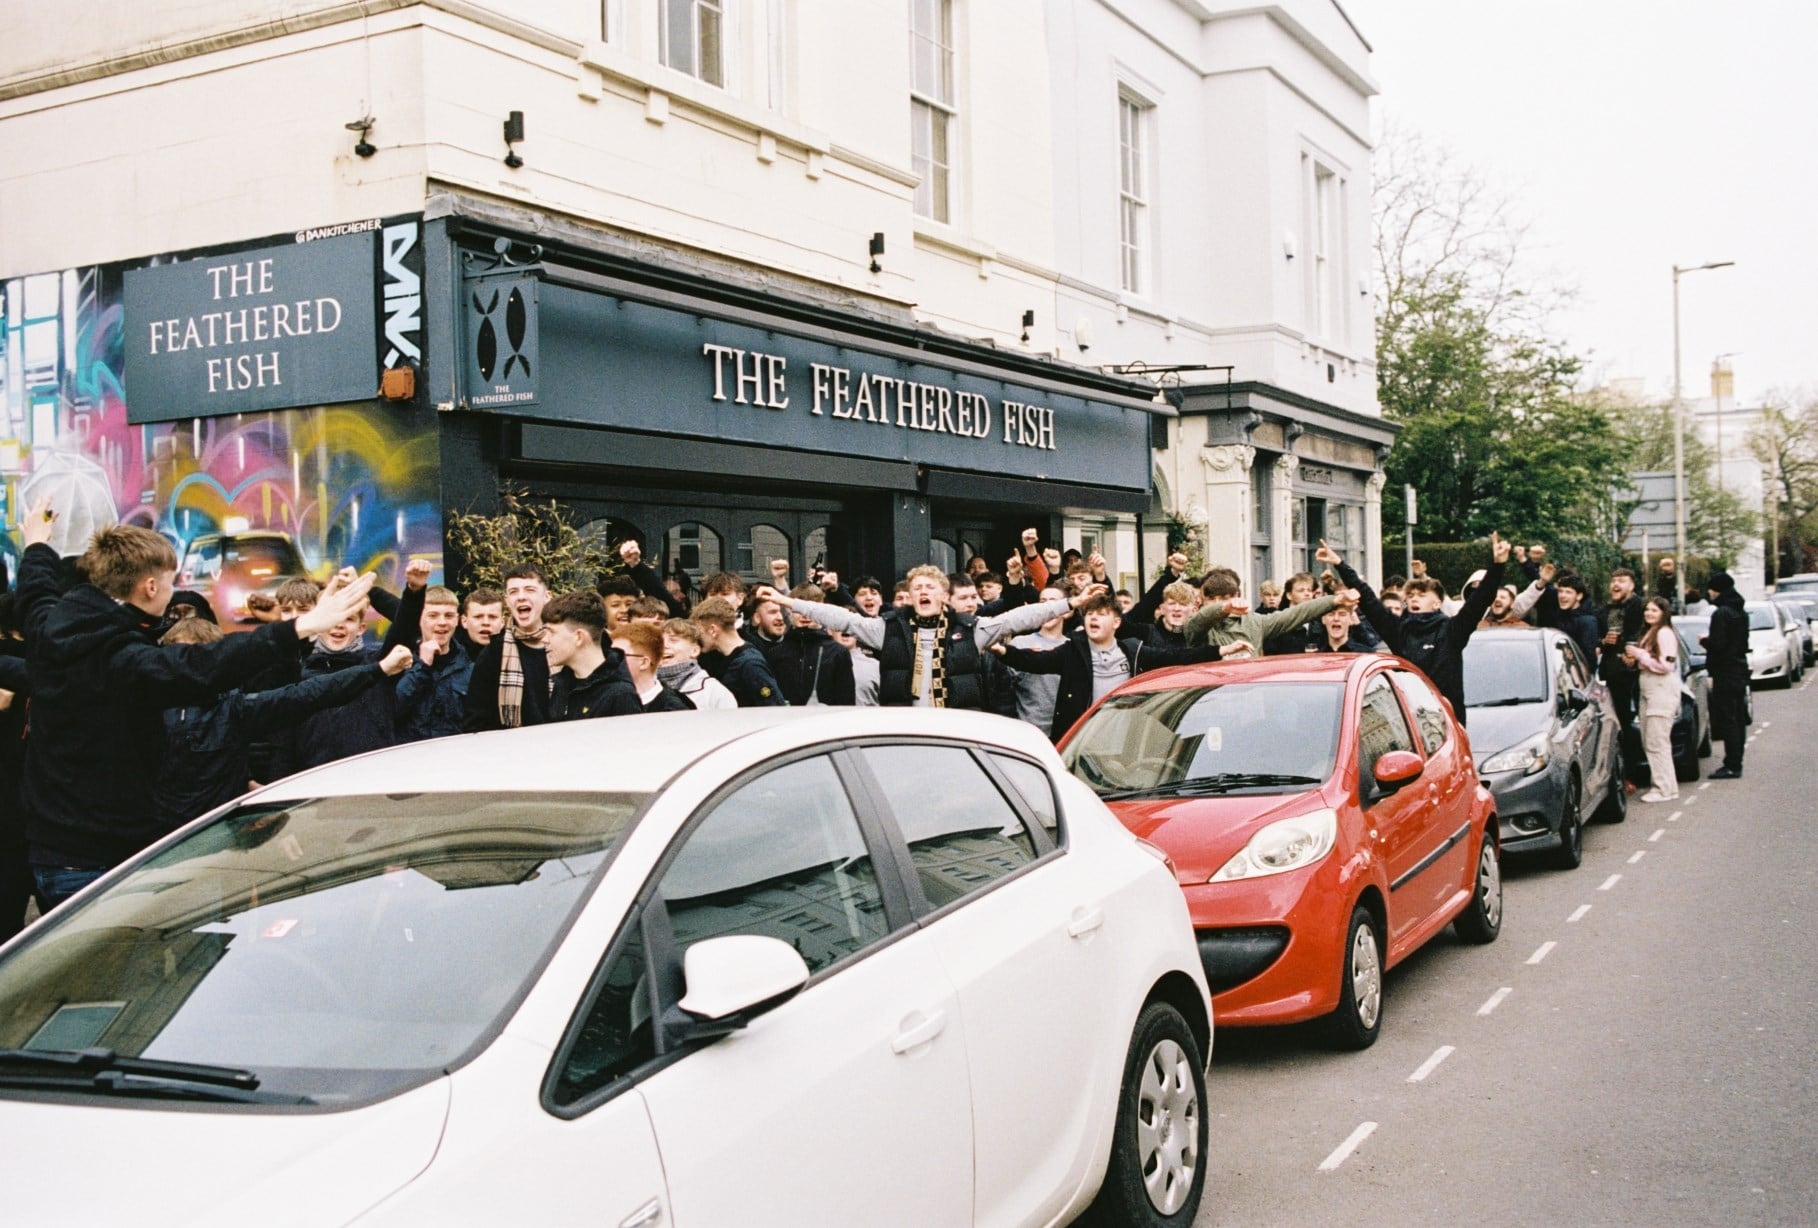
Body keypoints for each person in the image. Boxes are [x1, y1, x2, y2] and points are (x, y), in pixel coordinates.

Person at [14, 497, 377, 907]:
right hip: (103, 862)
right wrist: (301, 626)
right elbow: (203, 666)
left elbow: (35, 591)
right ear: (150, 587)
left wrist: (37, 542)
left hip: (49, 854)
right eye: (170, 584)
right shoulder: (124, 661)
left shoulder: (49, 628)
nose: (173, 595)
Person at [154, 618, 413, 830]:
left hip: (217, 837)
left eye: (196, 660)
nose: (186, 669)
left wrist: (378, 670)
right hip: (158, 842)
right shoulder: (143, 710)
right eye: (178, 657)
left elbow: (311, 693)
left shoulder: (234, 710)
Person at [761, 565, 1096, 710]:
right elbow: (841, 619)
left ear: (943, 595)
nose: (922, 592)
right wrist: (788, 600)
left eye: (929, 587)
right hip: (907, 728)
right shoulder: (887, 629)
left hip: (955, 727)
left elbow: (1016, 617)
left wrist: (1071, 603)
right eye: (916, 587)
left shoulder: (969, 629)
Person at [1322, 533, 1508, 726]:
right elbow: (1368, 599)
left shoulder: (1451, 630)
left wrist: (1497, 565)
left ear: (1437, 603)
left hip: (1447, 721)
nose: (1414, 598)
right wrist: (1339, 564)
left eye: (1421, 594)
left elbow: (1478, 602)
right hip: (1410, 722)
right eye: (1410, 595)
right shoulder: (1398, 630)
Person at [992, 591, 1224, 740]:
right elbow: (1035, 661)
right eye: (1090, 613)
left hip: (1121, 741)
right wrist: (1003, 650)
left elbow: (1174, 656)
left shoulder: (1131, 651)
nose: (1093, 618)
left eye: (1101, 614)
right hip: (1081, 740)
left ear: (1116, 622)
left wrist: (1220, 651)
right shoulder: (1073, 651)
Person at [283, 559, 430, 772]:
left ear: (361, 628)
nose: (340, 625)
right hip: (313, 784)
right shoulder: (297, 672)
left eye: (349, 619)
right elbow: (283, 738)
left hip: (371, 783)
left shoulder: (380, 665)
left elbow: (405, 630)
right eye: (334, 618)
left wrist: (414, 592)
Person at [1183, 568, 1352, 658]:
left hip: (1251, 698)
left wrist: (1333, 600)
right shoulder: (1198, 625)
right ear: (1203, 600)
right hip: (1212, 697)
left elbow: (1295, 614)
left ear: (1237, 596)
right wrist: (1224, 608)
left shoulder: (1255, 622)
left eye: (1227, 598)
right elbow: (1201, 620)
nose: (1220, 603)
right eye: (1213, 599)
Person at [465, 565, 555, 731]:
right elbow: (477, 719)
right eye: (513, 591)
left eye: (529, 590)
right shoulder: (494, 653)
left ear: (547, 596)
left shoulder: (565, 643)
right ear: (507, 601)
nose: (521, 597)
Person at [395, 585, 475, 742]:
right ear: (419, 618)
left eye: (449, 616)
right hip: (412, 757)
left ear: (458, 620)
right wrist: (422, 666)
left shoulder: (470, 668)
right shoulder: (400, 663)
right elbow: (394, 710)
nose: (442, 622)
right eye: (433, 616)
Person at [544, 592, 641, 720]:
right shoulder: (563, 684)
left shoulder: (621, 695)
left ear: (579, 637)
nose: (545, 639)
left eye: (551, 632)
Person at [1624, 597, 1682, 802]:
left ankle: (1664, 789)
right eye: (1647, 610)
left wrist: (1640, 655)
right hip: (1648, 686)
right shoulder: (1650, 632)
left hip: (1661, 688)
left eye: (1654, 611)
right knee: (1650, 740)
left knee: (1657, 741)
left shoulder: (1665, 633)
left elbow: (1667, 666)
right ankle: (1663, 785)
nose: (1649, 613)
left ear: (1664, 613)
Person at [1700, 571, 1750, 779]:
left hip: (1725, 671)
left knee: (1727, 718)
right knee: (1738, 718)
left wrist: (1705, 642)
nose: (1709, 593)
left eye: (1711, 589)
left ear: (1717, 590)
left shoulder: (1721, 614)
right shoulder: (1740, 612)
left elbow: (1719, 645)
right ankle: (1737, 759)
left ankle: (1731, 764)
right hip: (1739, 669)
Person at [692, 597, 786, 706]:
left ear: (712, 630)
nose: (697, 638)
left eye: (700, 632)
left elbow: (774, 707)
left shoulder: (750, 665)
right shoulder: (736, 660)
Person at [1001, 585, 1071, 732]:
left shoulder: (1072, 647)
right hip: (1028, 730)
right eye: (1042, 601)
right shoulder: (1020, 643)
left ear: (1067, 610)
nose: (1047, 607)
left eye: (1053, 602)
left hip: (1064, 732)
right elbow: (1004, 690)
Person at [613, 621, 694, 712]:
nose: (611, 660)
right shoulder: (608, 698)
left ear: (644, 662)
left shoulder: (673, 710)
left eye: (618, 655)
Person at [1600, 568, 1646, 726]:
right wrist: (1604, 641)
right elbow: (1597, 640)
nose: (1615, 585)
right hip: (1614, 672)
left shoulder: (1643, 607)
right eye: (1613, 581)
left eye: (1621, 581)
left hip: (1637, 672)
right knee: (1620, 719)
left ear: (1632, 586)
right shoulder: (1605, 610)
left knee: (1641, 719)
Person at [658, 618, 738, 709]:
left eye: (673, 640)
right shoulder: (647, 689)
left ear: (695, 651)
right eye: (660, 641)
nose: (664, 646)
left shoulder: (714, 693)